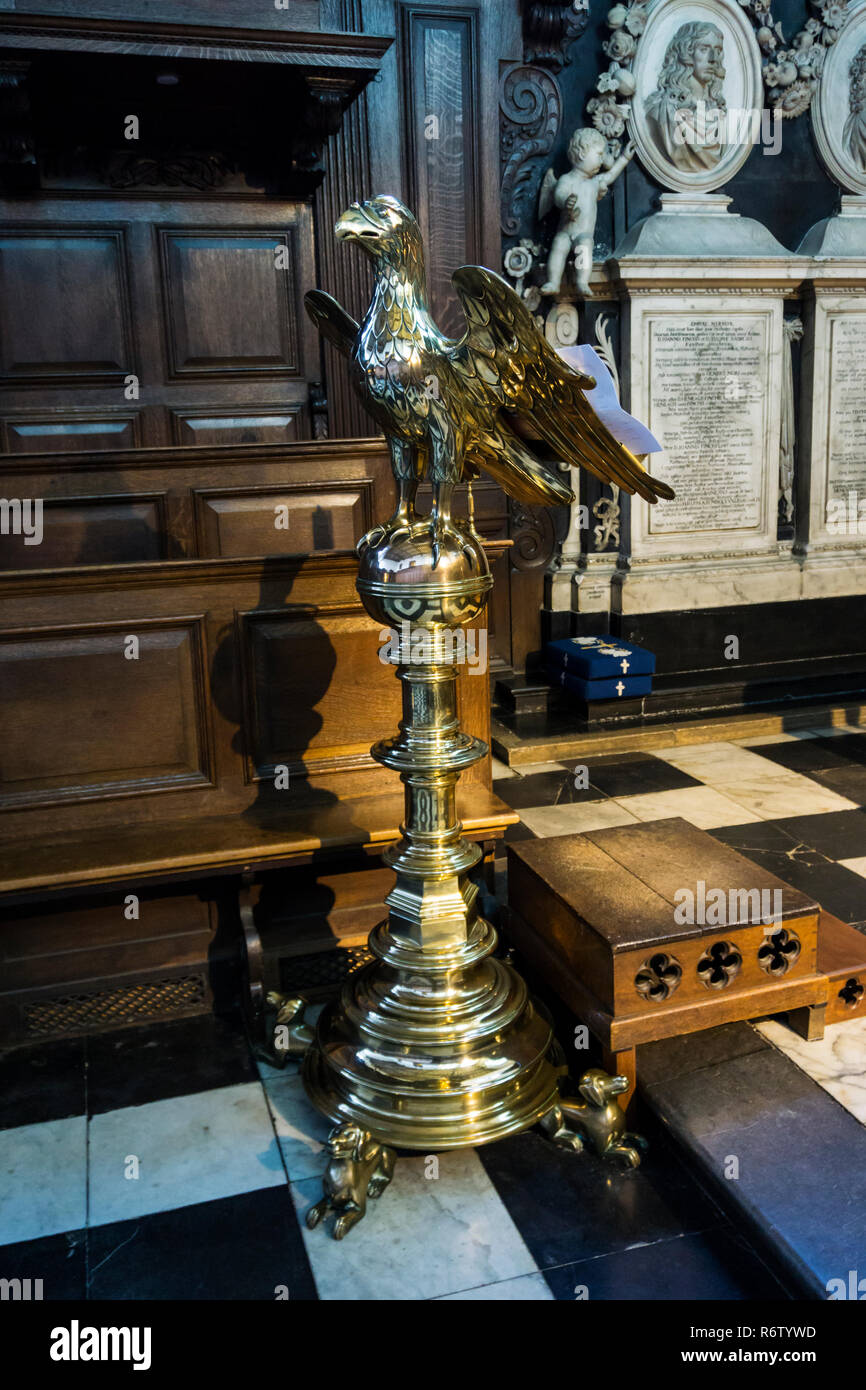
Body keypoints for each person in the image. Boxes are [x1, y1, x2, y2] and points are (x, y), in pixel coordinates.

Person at [539, 127, 635, 297]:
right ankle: (553, 281)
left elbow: (611, 174)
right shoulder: (566, 179)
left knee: (585, 245)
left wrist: (624, 158)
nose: (601, 161)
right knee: (559, 244)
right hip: (565, 231)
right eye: (599, 155)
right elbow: (558, 194)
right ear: (582, 154)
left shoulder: (594, 183)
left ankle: (582, 281)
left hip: (583, 233)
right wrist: (566, 202)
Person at [645, 20, 726, 174]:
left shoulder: (720, 114)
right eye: (704, 49)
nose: (713, 58)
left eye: (718, 50)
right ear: (685, 54)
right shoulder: (661, 111)